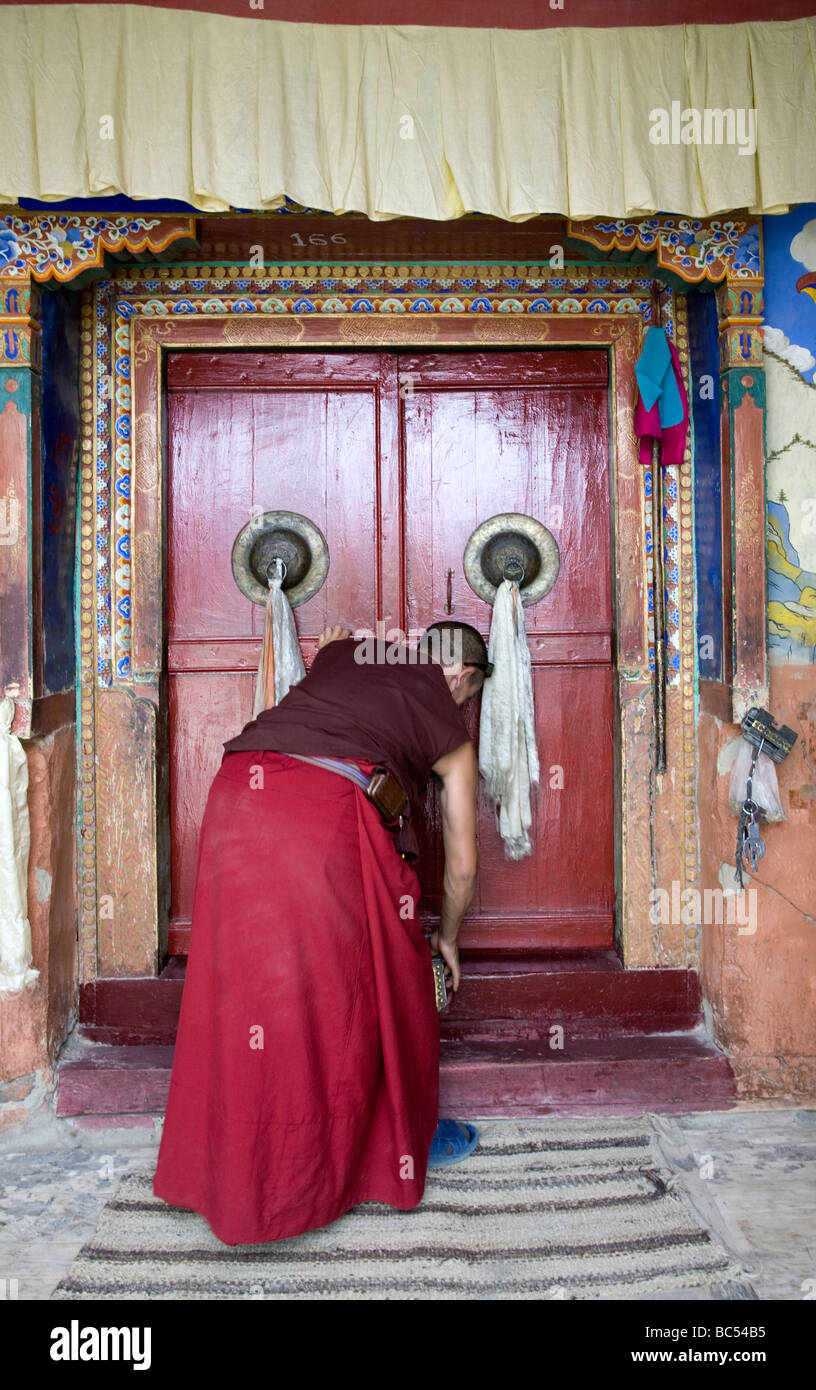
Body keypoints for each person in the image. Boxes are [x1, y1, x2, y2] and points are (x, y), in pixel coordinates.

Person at [152, 619, 490, 1244]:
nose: (462, 710)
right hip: (321, 814)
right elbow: (465, 863)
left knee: (249, 994)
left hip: (233, 797)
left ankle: (229, 1167)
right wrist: (446, 939)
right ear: (463, 676)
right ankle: (391, 1141)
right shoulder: (450, 724)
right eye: (469, 699)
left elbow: (335, 649)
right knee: (377, 979)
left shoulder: (346, 654)